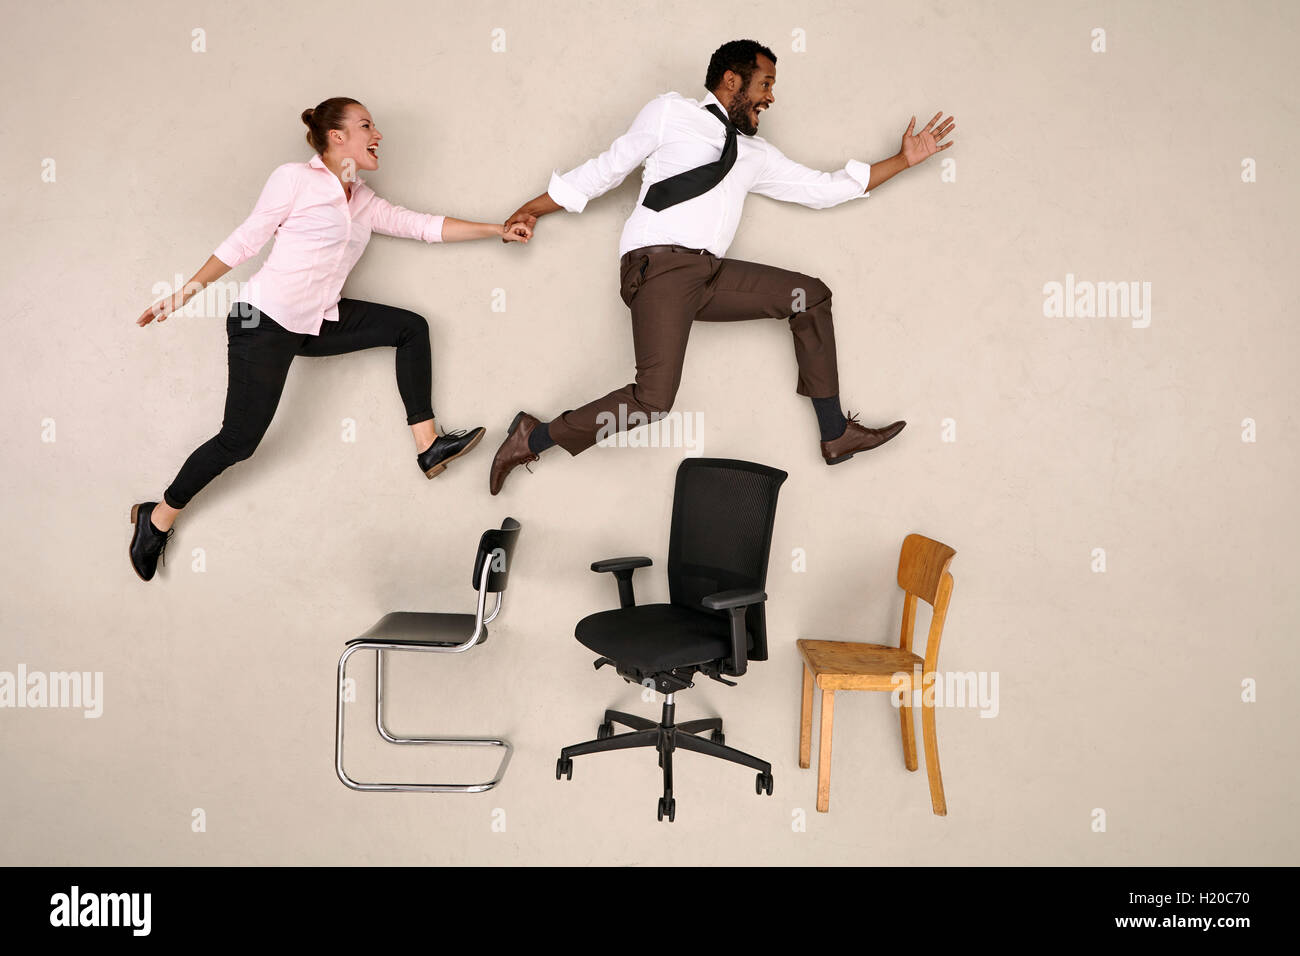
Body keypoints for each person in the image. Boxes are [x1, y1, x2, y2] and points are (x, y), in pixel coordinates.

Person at [488, 39, 954, 495]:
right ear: (732, 80)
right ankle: (534, 436)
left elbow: (824, 189)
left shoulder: (754, 153)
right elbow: (606, 170)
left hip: (710, 275)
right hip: (659, 269)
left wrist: (903, 160)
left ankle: (835, 433)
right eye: (766, 84)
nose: (771, 97)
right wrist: (532, 208)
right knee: (653, 401)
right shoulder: (670, 113)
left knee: (809, 296)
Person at [129, 97, 531, 582]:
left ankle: (428, 445)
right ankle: (157, 518)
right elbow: (246, 240)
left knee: (410, 328)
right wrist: (185, 293)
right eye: (366, 126)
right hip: (263, 321)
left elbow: (422, 226)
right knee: (239, 442)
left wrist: (497, 229)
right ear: (337, 136)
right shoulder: (294, 180)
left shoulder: (361, 198)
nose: (377, 134)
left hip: (317, 321)